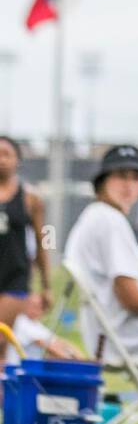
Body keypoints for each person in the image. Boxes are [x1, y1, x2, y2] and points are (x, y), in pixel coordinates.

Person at [63, 145, 138, 364]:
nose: (129, 185)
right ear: (102, 182)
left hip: (109, 339)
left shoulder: (92, 217)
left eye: (136, 178)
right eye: (121, 176)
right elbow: (131, 298)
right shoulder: (111, 221)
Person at [0, 136, 52, 362]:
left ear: (17, 161)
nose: (1, 160)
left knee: (0, 338)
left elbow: (45, 239)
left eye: (6, 154)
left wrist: (47, 285)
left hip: (15, 279)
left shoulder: (31, 198)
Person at [4, 294, 84, 366]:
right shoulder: (21, 321)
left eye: (35, 306)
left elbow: (60, 343)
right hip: (17, 371)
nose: (31, 309)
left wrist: (81, 358)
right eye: (29, 304)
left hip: (31, 370)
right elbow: (48, 346)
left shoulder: (38, 326)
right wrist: (75, 362)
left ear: (42, 310)